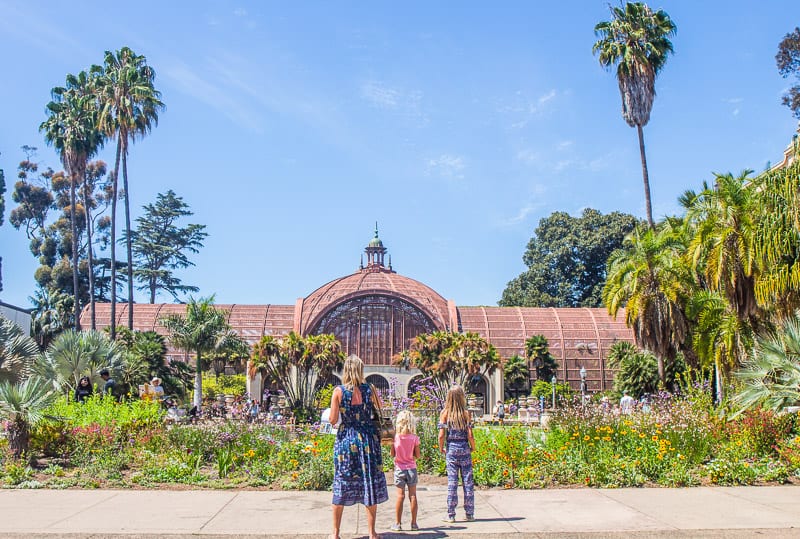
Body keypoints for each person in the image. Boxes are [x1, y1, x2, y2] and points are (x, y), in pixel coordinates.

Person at [329, 356, 388, 539]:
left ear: (345, 370)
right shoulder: (370, 389)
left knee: (341, 481)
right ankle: (372, 533)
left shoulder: (338, 391)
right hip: (368, 441)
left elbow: (332, 420)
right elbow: (380, 410)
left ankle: (336, 533)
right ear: (361, 370)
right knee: (368, 481)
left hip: (347, 440)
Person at [438, 385, 476, 523]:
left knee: (452, 482)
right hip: (464, 449)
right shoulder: (466, 413)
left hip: (452, 450)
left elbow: (441, 435)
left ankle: (451, 514)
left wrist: (441, 448)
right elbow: (470, 435)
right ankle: (470, 513)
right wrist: (473, 447)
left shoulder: (445, 413)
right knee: (467, 481)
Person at [390, 410, 420, 532]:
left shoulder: (395, 438)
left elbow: (392, 454)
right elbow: (417, 455)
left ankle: (398, 523)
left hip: (399, 468)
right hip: (411, 468)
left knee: (400, 496)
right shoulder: (414, 438)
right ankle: (413, 523)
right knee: (412, 496)